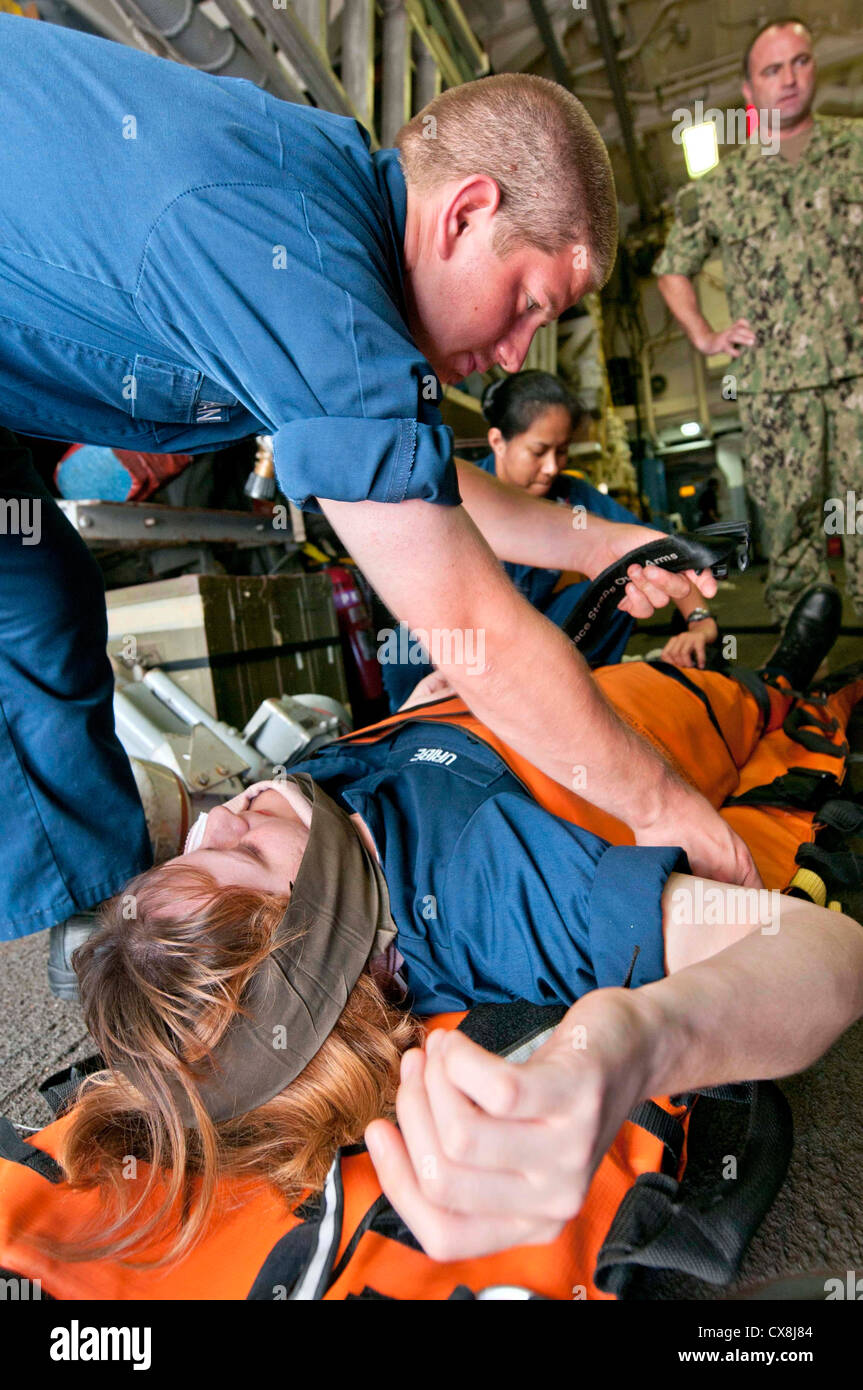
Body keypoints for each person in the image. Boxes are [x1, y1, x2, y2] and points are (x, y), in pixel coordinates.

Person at [0, 16, 756, 990]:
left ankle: (89, 924)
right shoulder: (301, 272)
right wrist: (662, 809)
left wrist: (609, 541)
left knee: (36, 602)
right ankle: (97, 949)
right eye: (529, 301)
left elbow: (428, 488)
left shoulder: (326, 223)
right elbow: (465, 621)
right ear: (465, 213)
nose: (522, 352)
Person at [52, 586, 862, 1266]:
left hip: (579, 694)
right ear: (325, 944)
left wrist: (425, 710)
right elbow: (829, 957)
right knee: (755, 705)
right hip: (679, 728)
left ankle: (769, 675)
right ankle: (787, 682)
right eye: (241, 856)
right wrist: (635, 1039)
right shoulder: (487, 888)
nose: (219, 817)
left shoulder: (314, 822)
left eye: (180, 857)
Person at [655, 17, 863, 631]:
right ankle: (801, 665)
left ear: (814, 67)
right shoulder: (724, 184)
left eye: (799, 61)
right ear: (750, 90)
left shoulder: (855, 147)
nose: (790, 78)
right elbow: (672, 268)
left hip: (858, 373)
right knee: (791, 525)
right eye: (773, 69)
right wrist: (705, 336)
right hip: (773, 387)